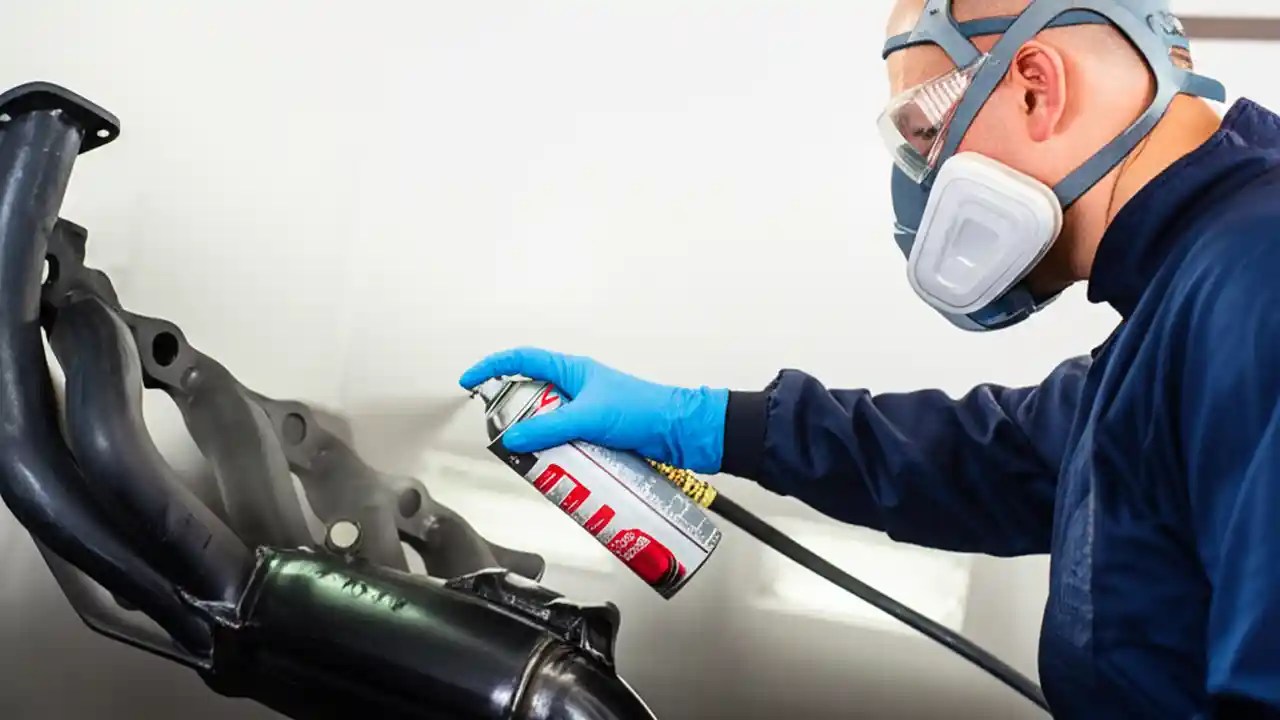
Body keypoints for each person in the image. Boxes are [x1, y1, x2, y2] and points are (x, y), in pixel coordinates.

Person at [461, 1, 1280, 717]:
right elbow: (999, 457)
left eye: (925, 136)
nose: (923, 182)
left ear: (1036, 85)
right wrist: (698, 421)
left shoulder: (1256, 278)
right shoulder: (1197, 287)